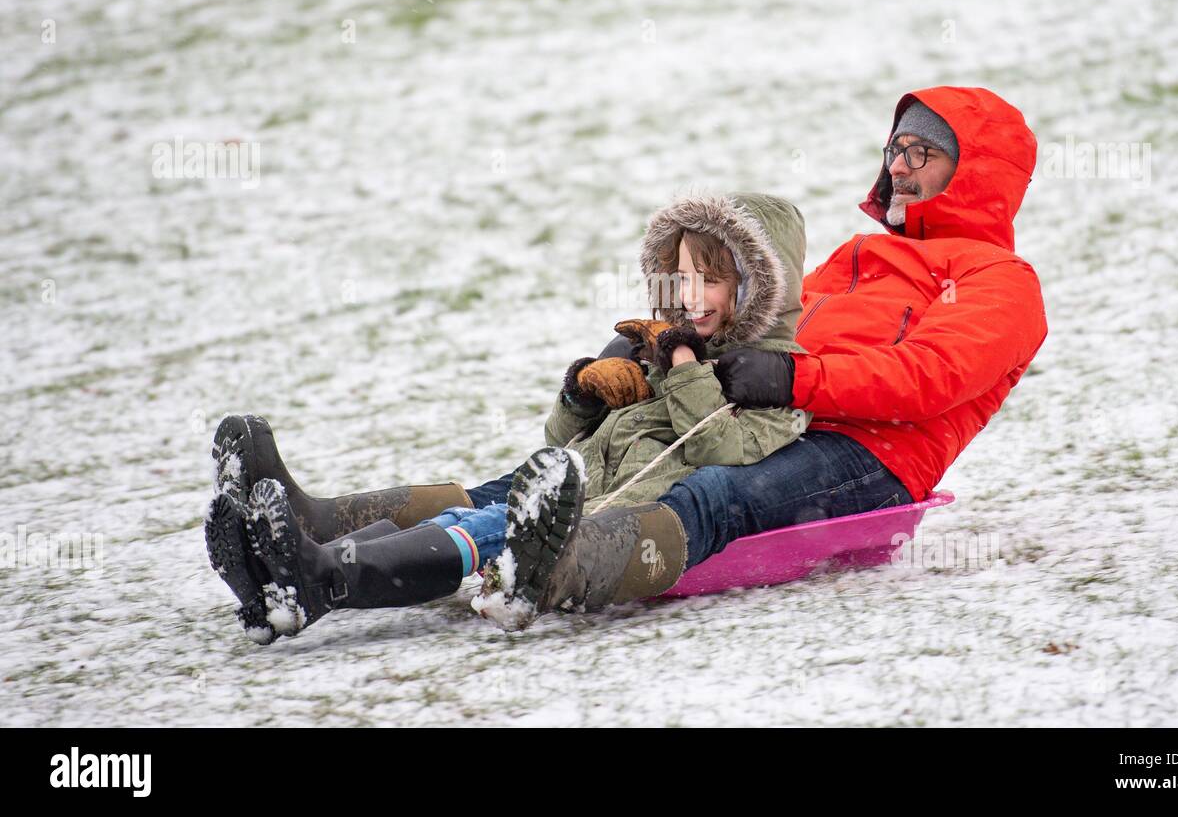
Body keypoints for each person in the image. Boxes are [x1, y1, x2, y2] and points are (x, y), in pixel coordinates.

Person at [481, 85, 1048, 630]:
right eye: (894, 149)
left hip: (870, 452)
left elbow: (929, 377)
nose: (898, 166)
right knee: (602, 454)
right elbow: (761, 320)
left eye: (921, 152)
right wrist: (668, 350)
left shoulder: (999, 278)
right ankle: (429, 527)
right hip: (775, 420)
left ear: (977, 173)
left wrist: (791, 378)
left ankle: (552, 574)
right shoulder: (858, 255)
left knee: (716, 493)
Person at [205, 192, 811, 643]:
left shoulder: (772, 379)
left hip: (601, 519)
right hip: (572, 492)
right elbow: (556, 443)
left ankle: (323, 579)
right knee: (467, 515)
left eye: (710, 279)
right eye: (679, 277)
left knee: (487, 527)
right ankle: (290, 576)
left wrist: (681, 362)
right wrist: (585, 393)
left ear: (759, 286)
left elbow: (720, 450)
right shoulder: (672, 349)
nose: (689, 294)